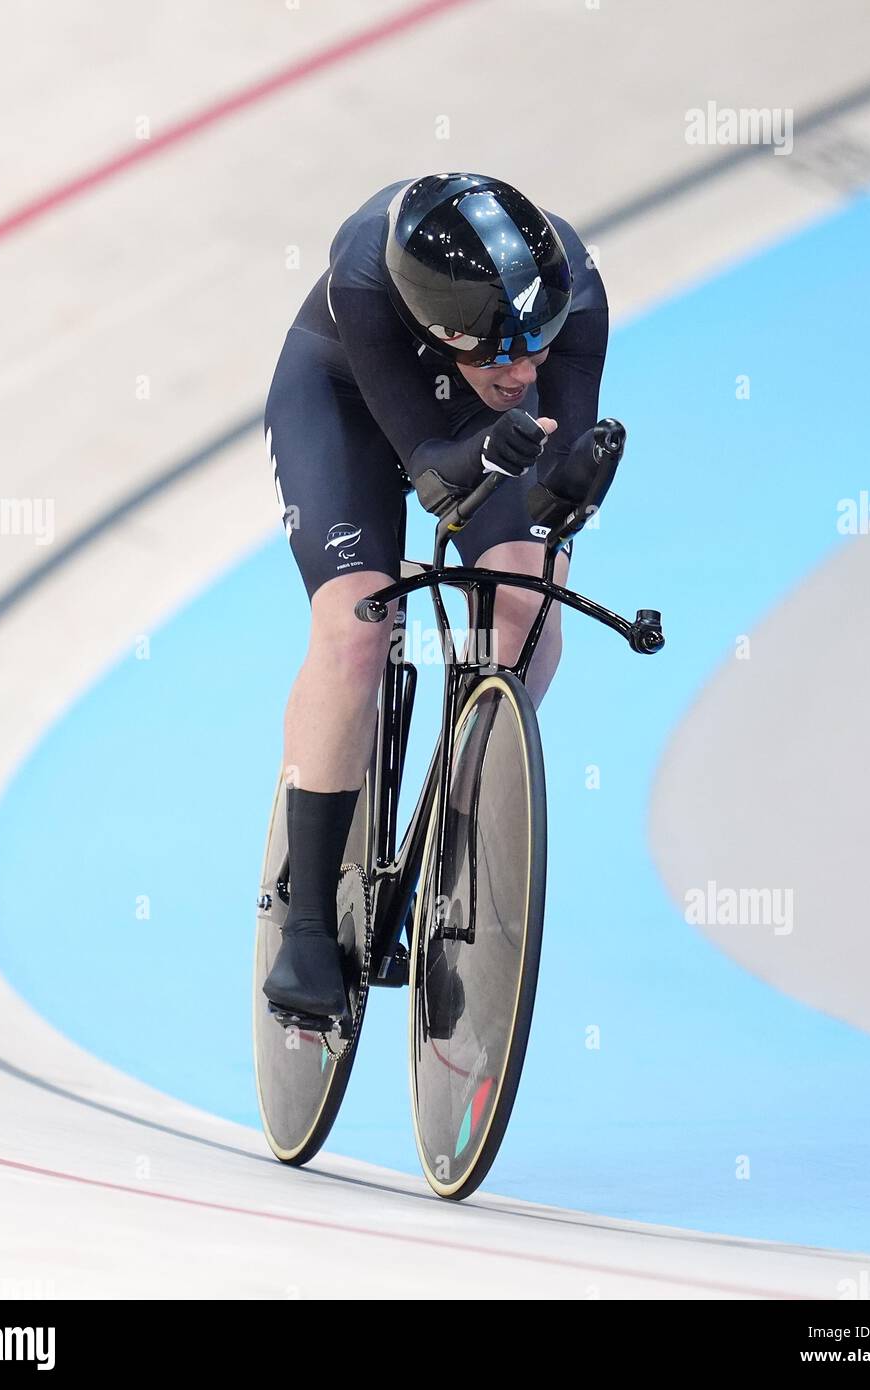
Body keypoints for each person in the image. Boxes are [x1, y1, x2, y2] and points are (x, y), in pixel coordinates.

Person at [262, 172, 609, 1019]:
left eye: (541, 346)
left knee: (530, 607)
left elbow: (555, 474)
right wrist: (465, 461)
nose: (529, 370)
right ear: (444, 324)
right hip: (344, 399)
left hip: (475, 428)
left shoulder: (572, 285)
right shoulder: (363, 274)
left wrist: (573, 490)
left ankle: (450, 838)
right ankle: (307, 919)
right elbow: (430, 473)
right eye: (505, 353)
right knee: (357, 625)